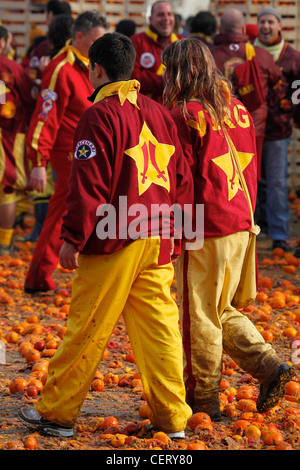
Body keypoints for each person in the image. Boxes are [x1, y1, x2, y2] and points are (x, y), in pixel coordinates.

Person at [18, 32, 193, 438]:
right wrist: (181, 235)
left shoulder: (97, 115)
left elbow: (88, 185)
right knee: (160, 329)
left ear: (96, 69)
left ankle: (56, 415)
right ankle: (175, 420)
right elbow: (182, 179)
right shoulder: (158, 112)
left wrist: (73, 238)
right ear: (131, 66)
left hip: (115, 238)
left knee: (88, 326)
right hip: (158, 236)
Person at [161, 37, 294, 421]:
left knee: (198, 315)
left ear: (181, 72)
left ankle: (203, 400)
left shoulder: (184, 114)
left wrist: (175, 234)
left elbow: (182, 181)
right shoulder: (236, 109)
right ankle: (269, 366)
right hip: (240, 220)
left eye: (170, 70)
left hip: (206, 226)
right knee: (220, 308)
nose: (166, 77)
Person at [24, 11, 108, 293]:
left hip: (91, 151)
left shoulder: (94, 64)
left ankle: (43, 274)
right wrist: (38, 161)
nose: (101, 46)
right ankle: (41, 274)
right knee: (69, 209)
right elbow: (45, 116)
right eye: (96, 40)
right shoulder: (61, 68)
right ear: (79, 36)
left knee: (69, 210)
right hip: (71, 152)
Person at [211, 8, 283, 181]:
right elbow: (277, 84)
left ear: (220, 30)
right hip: (253, 127)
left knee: (224, 179)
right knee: (251, 179)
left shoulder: (208, 55)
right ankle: (253, 209)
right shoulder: (262, 55)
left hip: (219, 127)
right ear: (244, 30)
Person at [254, 7, 300, 251]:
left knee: (277, 183)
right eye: (262, 21)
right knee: (251, 182)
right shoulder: (248, 52)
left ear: (280, 25)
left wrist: (295, 116)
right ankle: (251, 229)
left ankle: (280, 234)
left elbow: (298, 91)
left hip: (278, 130)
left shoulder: (292, 57)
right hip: (248, 129)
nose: (266, 26)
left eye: (271, 21)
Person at [0, 26, 36, 254]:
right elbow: (30, 100)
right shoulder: (10, 68)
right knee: (8, 188)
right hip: (8, 135)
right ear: (3, 42)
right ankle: (4, 242)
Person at [130, 0, 180, 103]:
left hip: (177, 111)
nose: (166, 19)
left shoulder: (183, 42)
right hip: (145, 111)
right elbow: (132, 76)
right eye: (161, 15)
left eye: (169, 14)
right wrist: (166, 81)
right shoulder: (136, 42)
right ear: (150, 19)